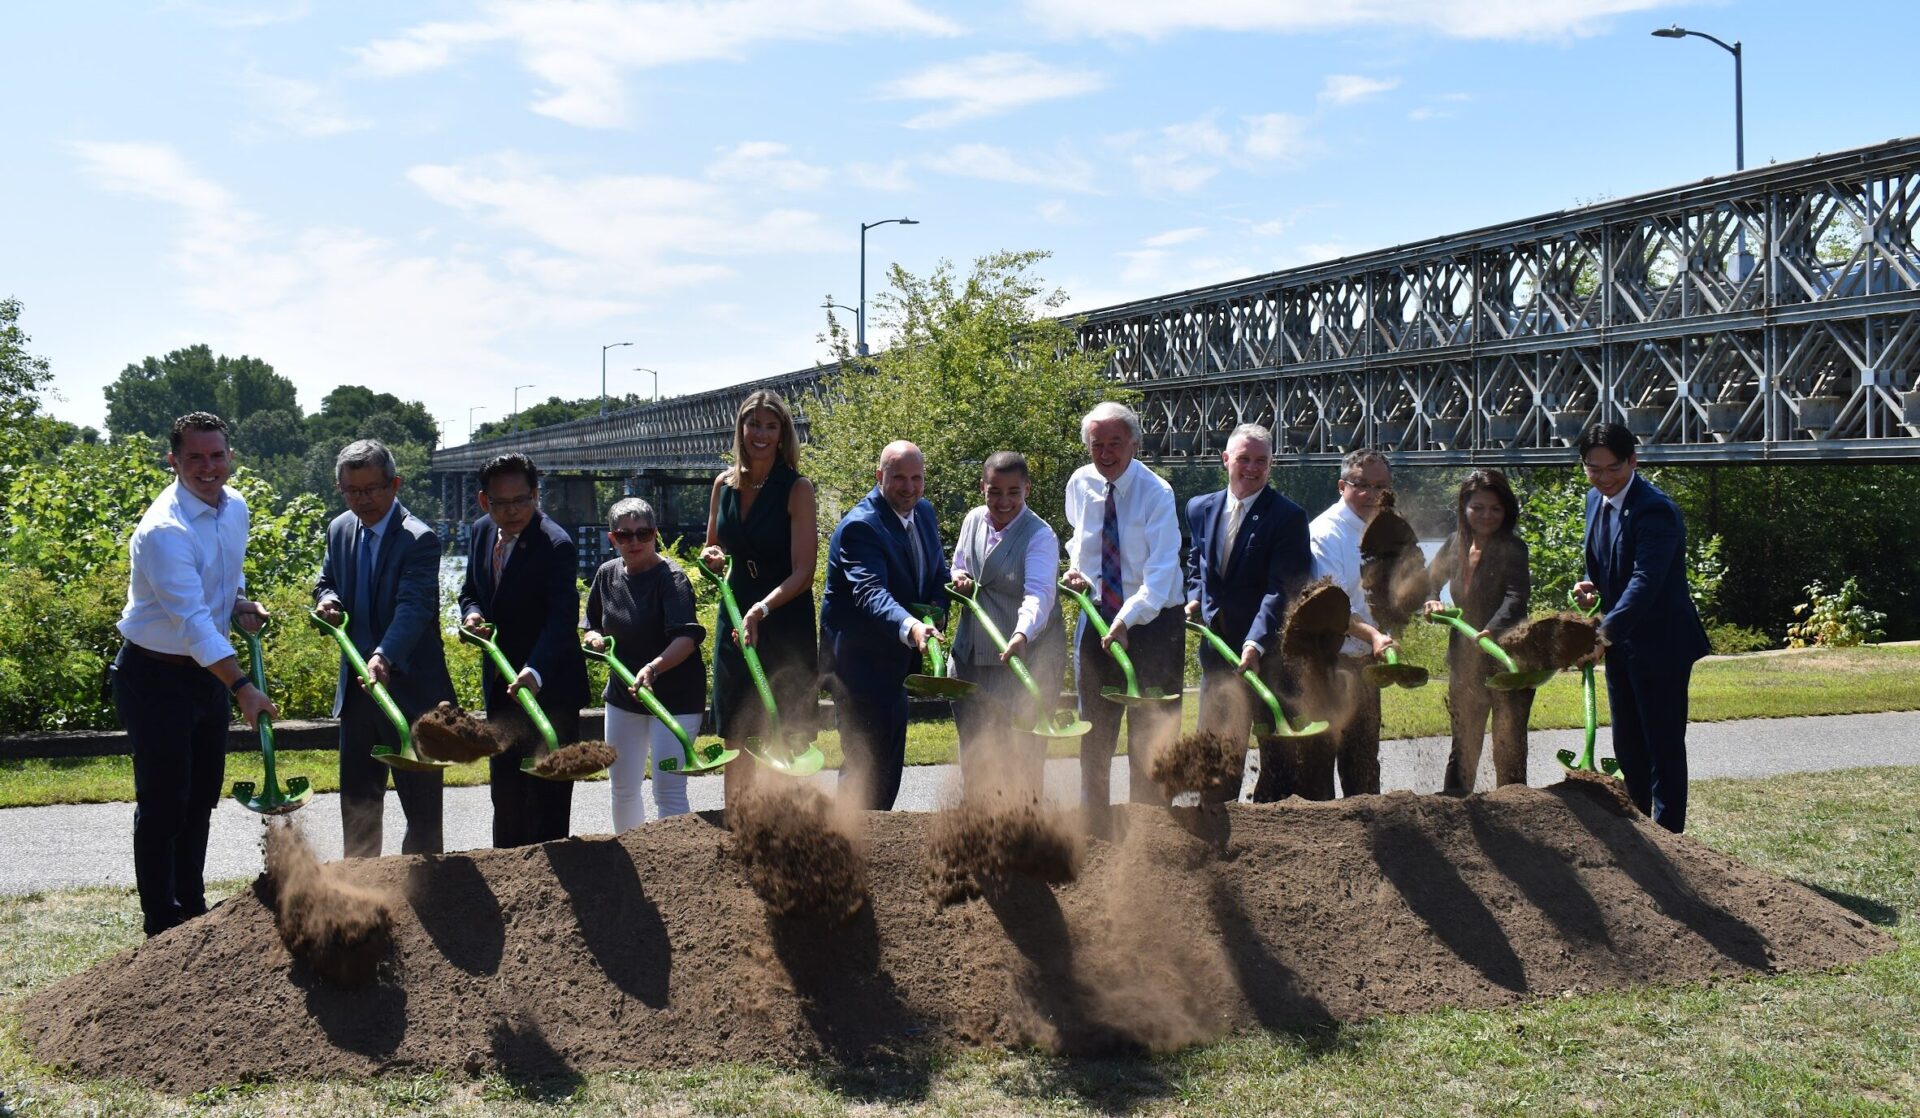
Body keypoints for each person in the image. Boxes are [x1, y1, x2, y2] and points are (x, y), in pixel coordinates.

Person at [114, 412, 275, 936]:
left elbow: (222, 577)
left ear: (229, 455)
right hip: (155, 677)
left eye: (216, 455)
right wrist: (244, 688)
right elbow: (191, 625)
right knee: (164, 801)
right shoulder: (164, 531)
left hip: (206, 676)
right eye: (194, 458)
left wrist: (239, 601)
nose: (208, 467)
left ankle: (191, 904)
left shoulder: (236, 509)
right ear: (174, 461)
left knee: (201, 793)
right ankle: (161, 923)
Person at [313, 438, 454, 856]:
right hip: (358, 697)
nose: (363, 499)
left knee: (423, 817)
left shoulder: (420, 539)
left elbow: (413, 609)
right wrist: (327, 601)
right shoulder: (339, 529)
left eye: (373, 488)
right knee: (359, 805)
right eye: (352, 491)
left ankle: (427, 895)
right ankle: (360, 899)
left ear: (395, 484)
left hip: (413, 698)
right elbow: (326, 581)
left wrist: (383, 655)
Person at [1574, 423, 1709, 833]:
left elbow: (1646, 580)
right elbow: (1606, 563)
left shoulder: (1655, 509)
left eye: (1612, 468)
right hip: (1622, 645)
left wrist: (1602, 634)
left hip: (1662, 645)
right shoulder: (1594, 501)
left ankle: (1669, 840)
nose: (1603, 478)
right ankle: (1637, 833)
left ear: (1633, 461)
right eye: (1592, 469)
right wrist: (1589, 585)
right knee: (1628, 747)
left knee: (1662, 748)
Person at [458, 452, 589, 848]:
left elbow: (562, 619)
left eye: (522, 500)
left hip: (550, 691)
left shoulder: (556, 544)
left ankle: (554, 891)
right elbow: (470, 593)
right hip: (502, 691)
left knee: (547, 802)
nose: (512, 511)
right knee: (507, 797)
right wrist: (472, 614)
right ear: (485, 501)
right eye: (501, 503)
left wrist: (534, 670)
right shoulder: (481, 531)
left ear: (535, 494)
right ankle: (509, 880)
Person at [1063, 401, 1184, 831]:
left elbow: (1162, 573)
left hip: (1154, 622)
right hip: (1096, 616)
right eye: (1098, 444)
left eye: (1116, 443)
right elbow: (1080, 537)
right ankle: (1092, 827)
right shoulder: (1079, 483)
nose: (1107, 452)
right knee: (1093, 727)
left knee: (1151, 731)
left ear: (1134, 443)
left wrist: (1127, 619)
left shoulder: (1157, 493)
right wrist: (1077, 569)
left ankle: (1150, 830)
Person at [701, 389, 819, 810]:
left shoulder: (797, 488)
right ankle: (739, 826)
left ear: (783, 433)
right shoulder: (723, 485)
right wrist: (711, 557)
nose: (761, 434)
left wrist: (761, 609)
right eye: (754, 424)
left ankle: (784, 829)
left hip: (783, 616)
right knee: (738, 724)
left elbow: (804, 572)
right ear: (741, 429)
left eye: (771, 426)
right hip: (735, 613)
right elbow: (712, 547)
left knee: (782, 725)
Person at [1183, 423, 1313, 802]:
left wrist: (1256, 641)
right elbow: (1196, 564)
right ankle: (1214, 840)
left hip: (1268, 657)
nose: (1252, 468)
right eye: (1244, 459)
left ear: (1271, 465)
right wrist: (1194, 597)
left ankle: (1270, 846)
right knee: (1217, 761)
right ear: (1226, 460)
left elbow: (1282, 590)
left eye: (1261, 461)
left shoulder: (1288, 517)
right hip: (1217, 654)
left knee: (1277, 764)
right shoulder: (1199, 507)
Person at [820, 440, 949, 811]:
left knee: (887, 769)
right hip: (858, 670)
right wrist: (912, 628)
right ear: (880, 476)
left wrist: (939, 605)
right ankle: (846, 849)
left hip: (895, 666)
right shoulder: (860, 527)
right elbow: (869, 592)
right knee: (864, 770)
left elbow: (935, 571)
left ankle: (872, 851)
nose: (909, 487)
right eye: (898, 478)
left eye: (916, 478)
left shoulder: (924, 512)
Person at [583, 498, 706, 831]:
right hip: (624, 698)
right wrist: (593, 636)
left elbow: (686, 638)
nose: (634, 542)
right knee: (622, 789)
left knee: (667, 791)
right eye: (624, 535)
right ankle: (632, 862)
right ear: (612, 539)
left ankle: (674, 866)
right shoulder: (606, 574)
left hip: (675, 701)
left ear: (656, 534)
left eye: (643, 533)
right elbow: (591, 621)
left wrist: (653, 668)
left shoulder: (673, 579)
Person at [950, 451, 1065, 800]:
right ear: (982, 487)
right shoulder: (972, 520)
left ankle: (1026, 829)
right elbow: (958, 563)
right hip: (971, 653)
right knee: (974, 745)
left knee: (1022, 749)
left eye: (1013, 492)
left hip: (1024, 658)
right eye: (994, 492)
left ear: (1027, 489)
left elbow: (1039, 595)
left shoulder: (1040, 535)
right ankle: (975, 825)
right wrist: (959, 577)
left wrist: (1021, 634)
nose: (1003, 501)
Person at [1421, 469, 1533, 794]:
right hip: (1463, 660)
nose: (1486, 516)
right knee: (1464, 744)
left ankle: (1514, 812)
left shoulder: (1513, 548)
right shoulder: (1455, 543)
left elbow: (1516, 597)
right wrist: (1431, 602)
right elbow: (1431, 581)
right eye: (1478, 507)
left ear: (1506, 511)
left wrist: (1490, 631)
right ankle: (1456, 813)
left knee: (1508, 744)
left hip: (1506, 660)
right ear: (1464, 508)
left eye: (1495, 509)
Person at [1305, 448, 1398, 799]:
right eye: (1362, 485)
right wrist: (1374, 635)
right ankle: (1325, 844)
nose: (1372, 495)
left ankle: (1371, 840)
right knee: (1321, 757)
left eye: (1381, 487)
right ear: (1341, 486)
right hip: (1327, 662)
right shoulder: (1325, 534)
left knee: (1363, 760)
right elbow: (1332, 605)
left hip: (1365, 659)